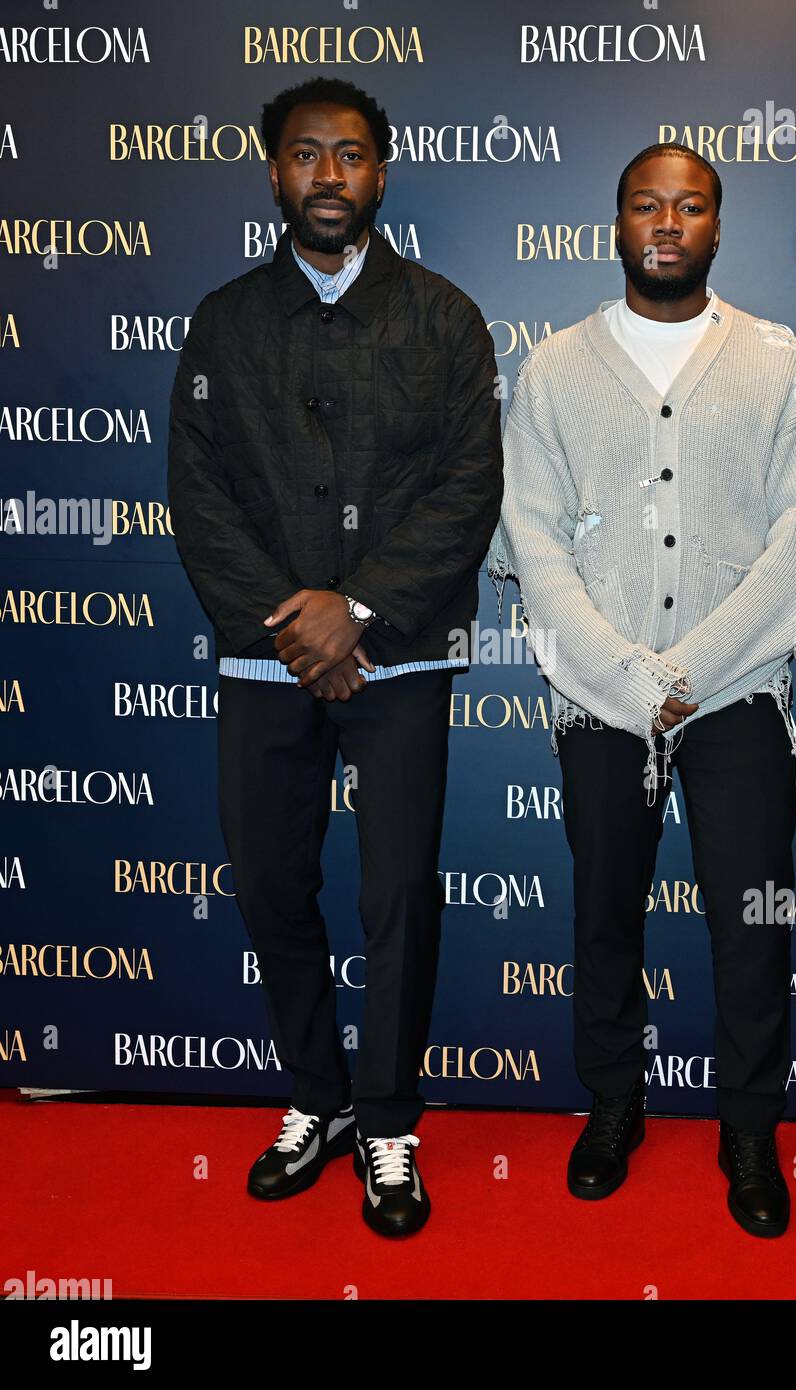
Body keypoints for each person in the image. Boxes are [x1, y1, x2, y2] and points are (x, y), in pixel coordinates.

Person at [488, 142, 796, 1238]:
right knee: (603, 916)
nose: (666, 222)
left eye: (688, 206)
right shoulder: (555, 370)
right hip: (599, 704)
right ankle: (612, 1104)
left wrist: (690, 673)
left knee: (754, 923)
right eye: (645, 205)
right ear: (613, 223)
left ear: (715, 225)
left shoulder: (777, 361)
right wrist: (622, 676)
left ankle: (748, 1126)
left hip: (738, 695)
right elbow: (534, 539)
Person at [167, 76, 503, 1237]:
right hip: (265, 663)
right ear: (273, 174)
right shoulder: (224, 321)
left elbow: (467, 490)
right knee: (270, 885)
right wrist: (295, 626)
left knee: (398, 892)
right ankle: (316, 1098)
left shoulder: (444, 318)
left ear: (380, 173)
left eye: (349, 155)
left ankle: (390, 1118)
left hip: (398, 660)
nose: (328, 175)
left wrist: (354, 611)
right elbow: (199, 495)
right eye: (305, 155)